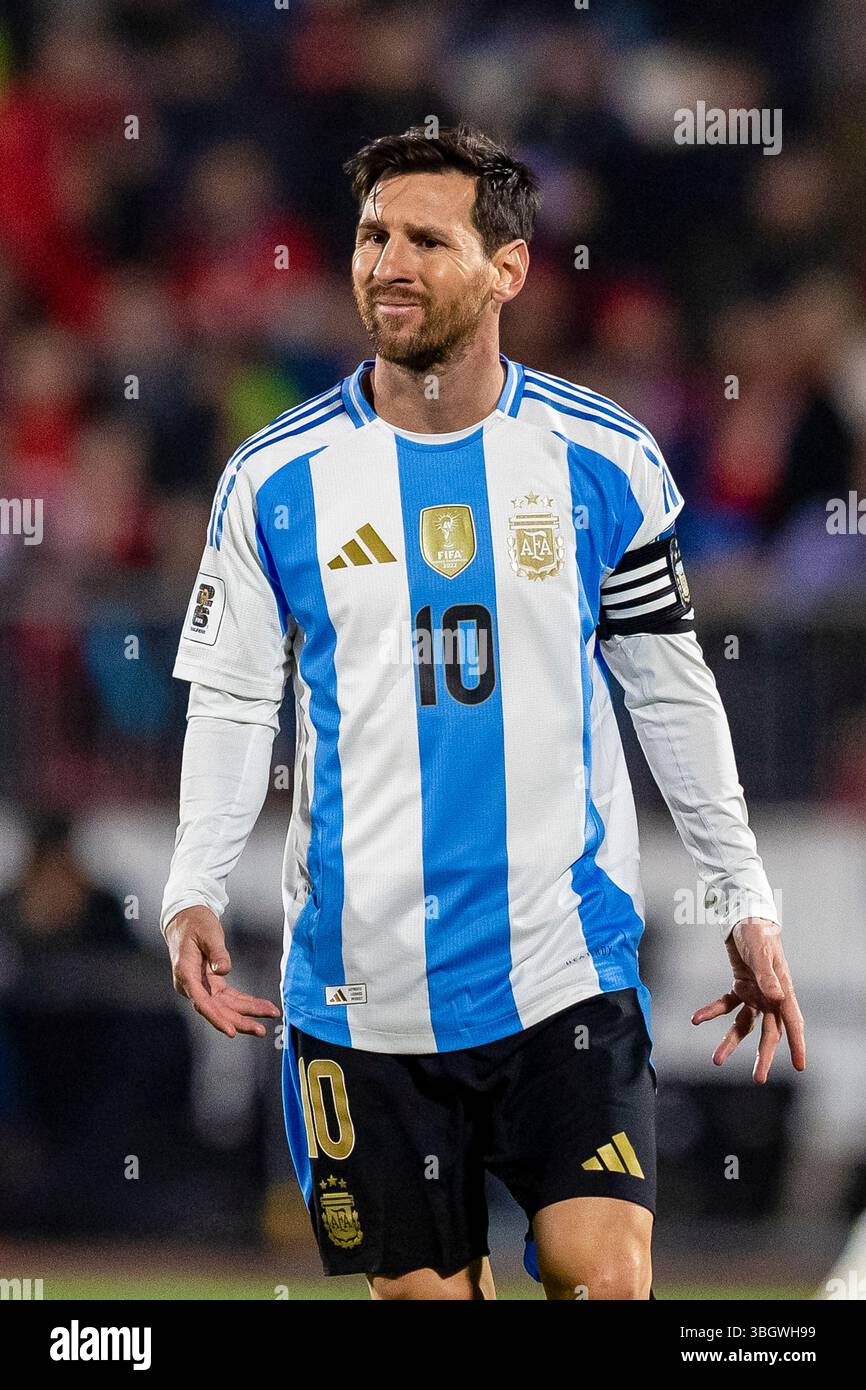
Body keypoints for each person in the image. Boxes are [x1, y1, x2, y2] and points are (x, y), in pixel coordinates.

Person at [160, 124, 806, 1301]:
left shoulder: (601, 460)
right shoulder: (272, 481)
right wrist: (193, 883)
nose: (386, 262)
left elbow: (669, 689)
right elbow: (234, 697)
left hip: (561, 963)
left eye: (423, 238)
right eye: (370, 236)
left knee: (601, 1277)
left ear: (506, 269)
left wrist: (741, 895)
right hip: (359, 984)